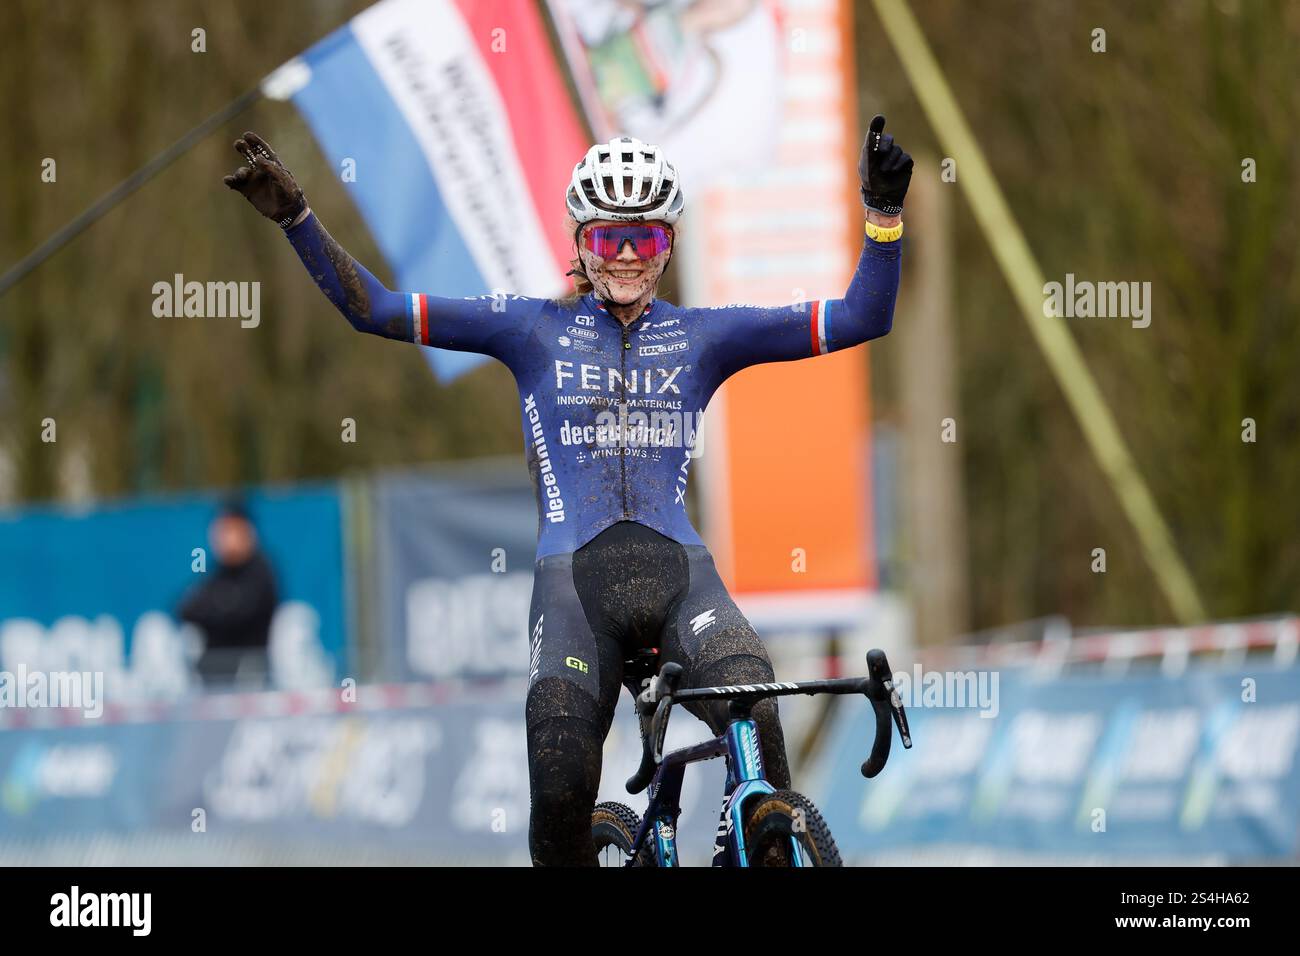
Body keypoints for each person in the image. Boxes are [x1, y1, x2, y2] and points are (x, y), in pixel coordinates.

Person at [223, 118, 911, 865]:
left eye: (644, 238)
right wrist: (297, 219)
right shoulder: (530, 329)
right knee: (559, 790)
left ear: (669, 245)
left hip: (683, 582)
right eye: (610, 238)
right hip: (575, 593)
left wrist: (883, 215)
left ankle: (763, 837)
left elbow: (862, 317)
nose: (626, 255)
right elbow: (377, 309)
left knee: (756, 716)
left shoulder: (704, 337)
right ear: (580, 242)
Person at [177, 497, 279, 687]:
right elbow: (185, 608)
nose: (225, 538)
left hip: (251, 674)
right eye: (221, 531)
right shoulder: (217, 572)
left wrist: (217, 608)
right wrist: (219, 605)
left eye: (231, 530)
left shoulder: (261, 571)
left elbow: (240, 615)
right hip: (211, 676)